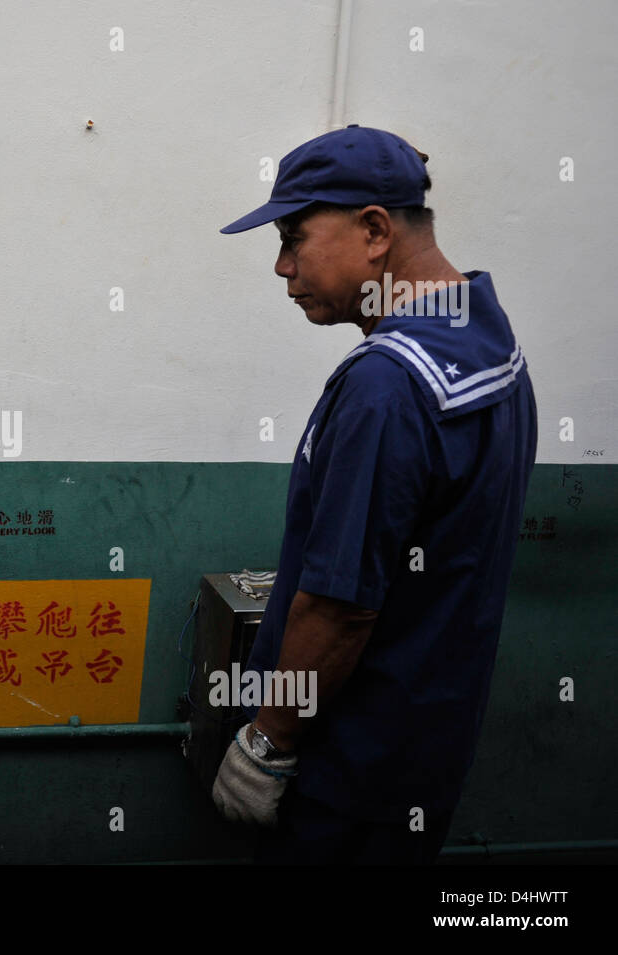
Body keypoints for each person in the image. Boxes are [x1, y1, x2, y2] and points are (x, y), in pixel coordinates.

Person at [210, 125, 537, 863]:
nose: (281, 265)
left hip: (345, 771)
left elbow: (338, 606)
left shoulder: (386, 387)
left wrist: (269, 742)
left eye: (295, 236)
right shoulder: (492, 344)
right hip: (426, 749)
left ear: (375, 229)